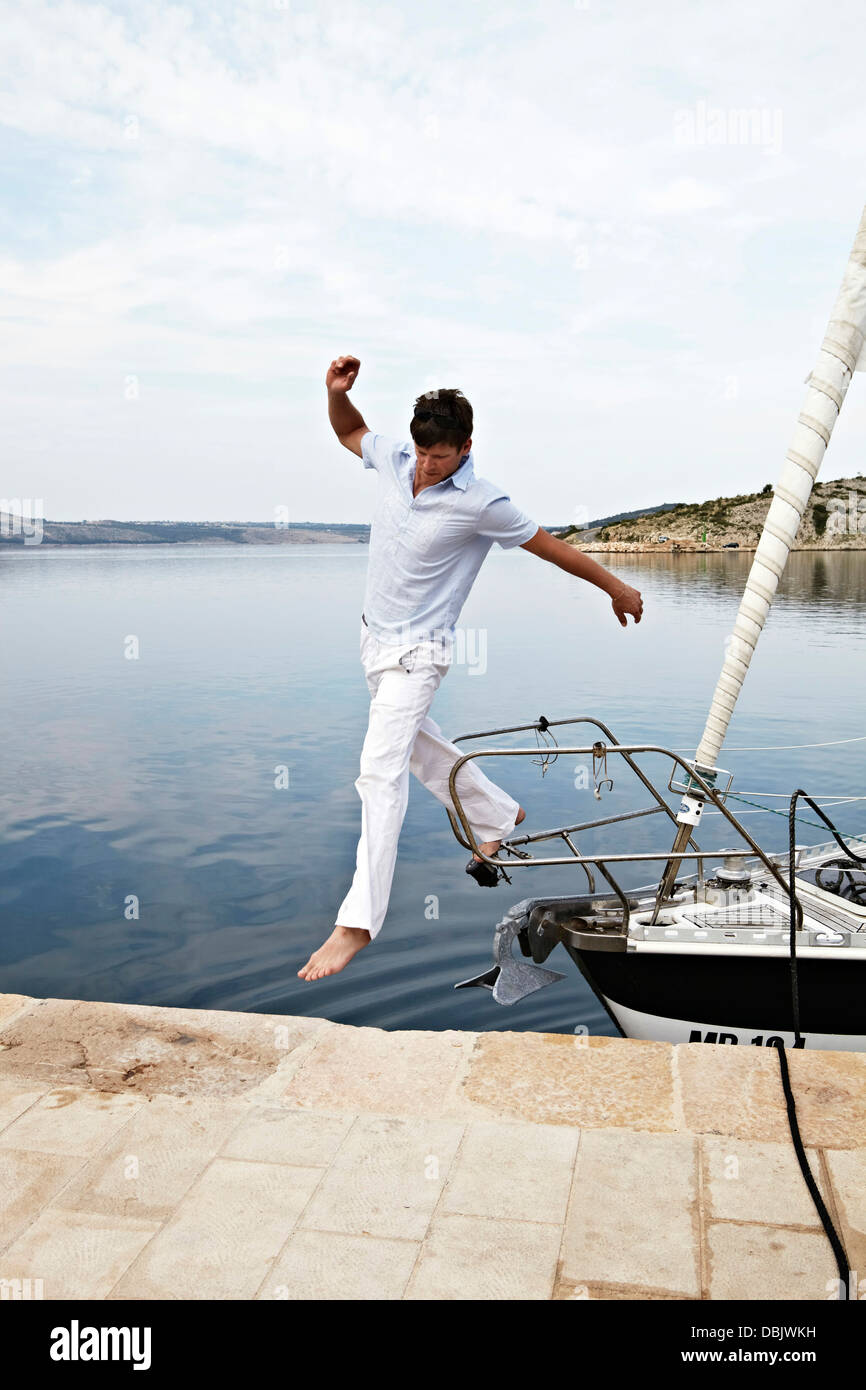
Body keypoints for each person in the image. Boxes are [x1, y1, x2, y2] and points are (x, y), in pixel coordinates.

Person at [298, 355, 643, 981]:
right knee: (416, 749)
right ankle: (496, 814)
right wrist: (334, 392)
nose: (429, 466)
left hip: (420, 654)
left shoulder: (484, 502)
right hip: (374, 644)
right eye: (423, 453)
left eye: (442, 456)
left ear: (466, 447)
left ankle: (357, 923)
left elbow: (551, 547)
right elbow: (349, 431)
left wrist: (614, 586)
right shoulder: (394, 460)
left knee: (378, 773)